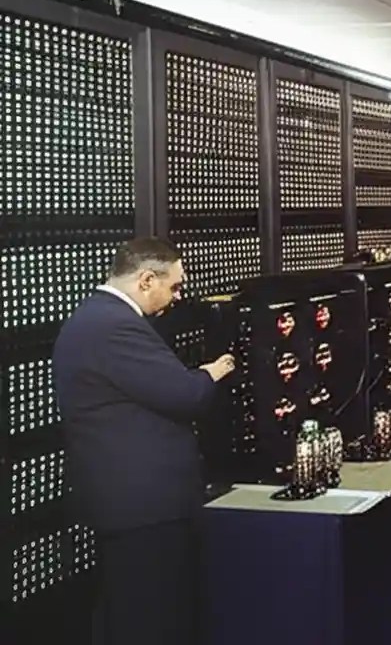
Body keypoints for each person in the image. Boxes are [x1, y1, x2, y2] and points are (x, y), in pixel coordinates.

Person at [53, 237, 236, 645]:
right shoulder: (115, 326)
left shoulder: (97, 318)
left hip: (133, 505)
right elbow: (183, 394)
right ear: (146, 279)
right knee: (153, 621)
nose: (177, 297)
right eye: (174, 286)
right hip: (144, 508)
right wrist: (210, 374)